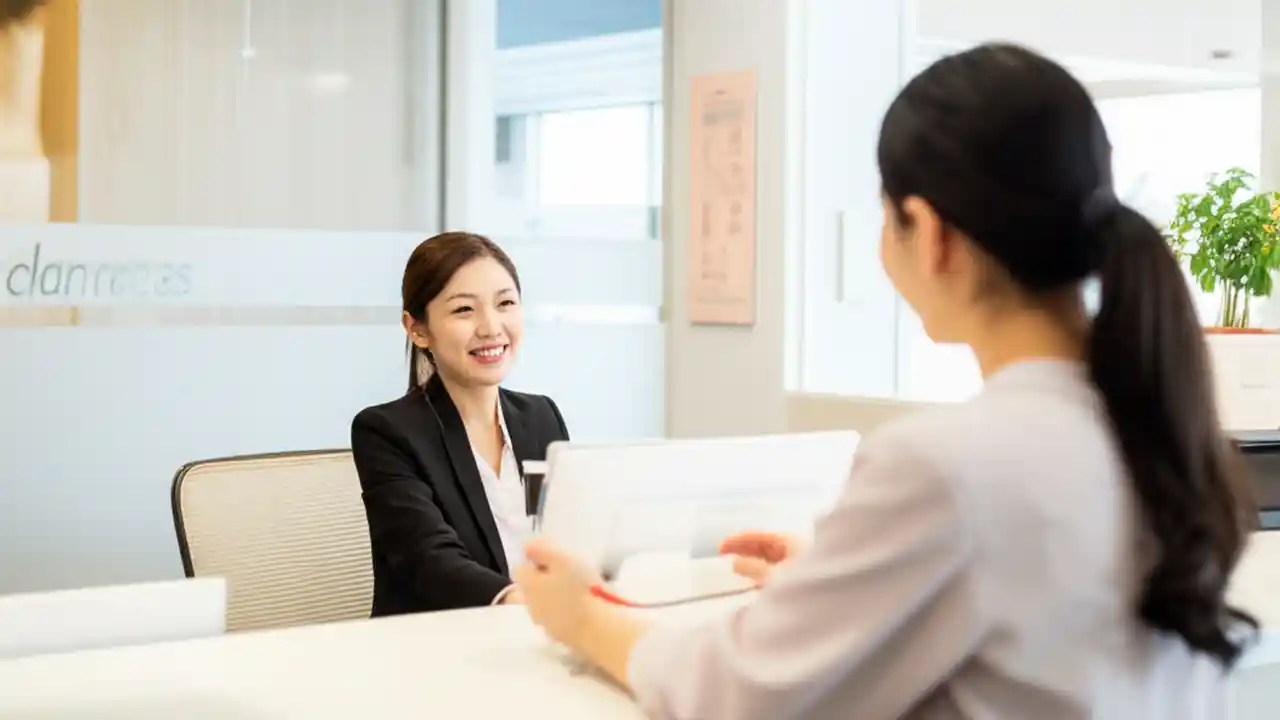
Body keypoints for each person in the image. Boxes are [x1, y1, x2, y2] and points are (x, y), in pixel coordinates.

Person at [515, 44, 1259, 719]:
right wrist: (839, 593)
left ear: (930, 231)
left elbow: (738, 694)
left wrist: (581, 614)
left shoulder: (949, 462)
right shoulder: (1155, 430)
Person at [352, 232, 569, 615]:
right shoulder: (386, 432)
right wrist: (527, 604)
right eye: (464, 310)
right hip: (438, 649)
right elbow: (431, 562)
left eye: (505, 303)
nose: (490, 327)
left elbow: (567, 536)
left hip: (536, 636)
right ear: (417, 329)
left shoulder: (541, 417)